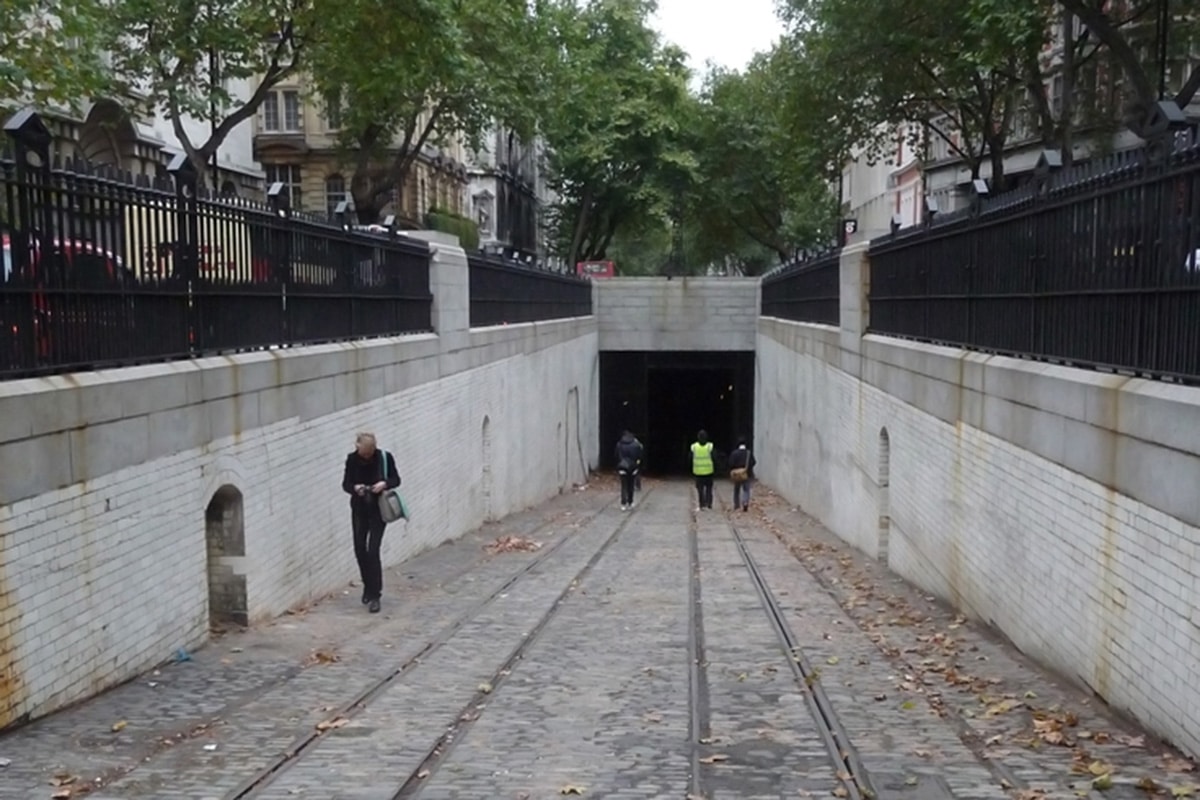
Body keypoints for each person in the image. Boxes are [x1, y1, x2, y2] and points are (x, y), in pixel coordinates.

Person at [341, 432, 401, 613]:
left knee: (373, 550)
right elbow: (346, 484)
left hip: (378, 510)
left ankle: (376, 595)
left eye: (369, 453)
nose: (366, 456)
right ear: (357, 447)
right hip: (359, 509)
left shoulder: (384, 458)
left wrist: (384, 484)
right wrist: (355, 488)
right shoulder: (352, 460)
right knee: (360, 548)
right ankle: (367, 586)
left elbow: (396, 479)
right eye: (363, 453)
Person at [615, 430, 644, 511]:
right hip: (633, 467)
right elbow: (640, 456)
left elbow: (616, 455)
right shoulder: (636, 444)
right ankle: (630, 502)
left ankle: (623, 504)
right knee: (631, 485)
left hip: (622, 467)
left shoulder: (619, 444)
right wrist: (637, 465)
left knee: (623, 486)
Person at [728, 436, 757, 512]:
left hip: (737, 474)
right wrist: (747, 468)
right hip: (746, 474)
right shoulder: (748, 453)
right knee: (746, 490)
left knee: (736, 490)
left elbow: (730, 463)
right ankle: (745, 502)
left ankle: (736, 505)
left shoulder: (734, 453)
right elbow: (753, 462)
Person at [690, 430, 715, 511]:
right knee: (709, 489)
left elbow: (689, 458)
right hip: (709, 472)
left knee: (700, 489)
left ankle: (702, 504)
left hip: (698, 472)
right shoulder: (710, 447)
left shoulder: (694, 447)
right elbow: (715, 458)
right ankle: (709, 503)